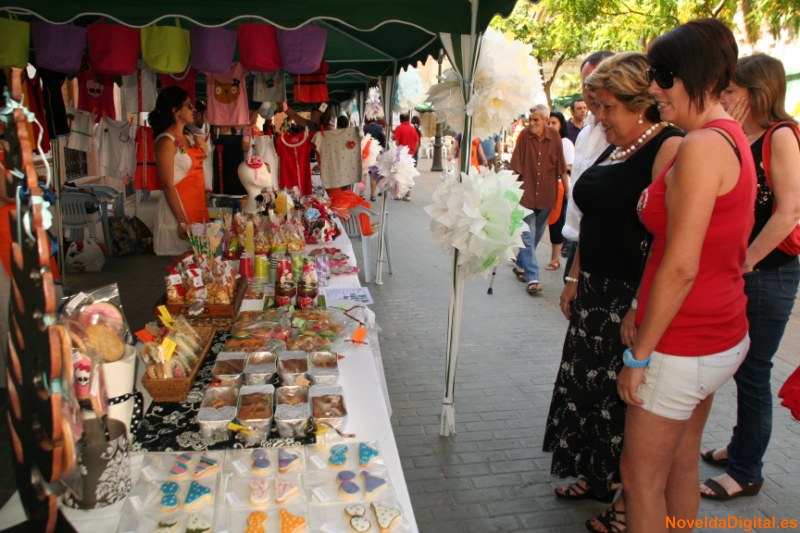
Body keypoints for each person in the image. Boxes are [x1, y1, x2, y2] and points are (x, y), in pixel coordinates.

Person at [618, 19, 755, 532]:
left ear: (702, 77)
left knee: (639, 479)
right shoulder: (726, 137)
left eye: (664, 76)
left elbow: (680, 266)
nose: (654, 88)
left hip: (684, 341)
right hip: (717, 333)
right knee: (679, 462)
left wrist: (639, 356)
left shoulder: (701, 146)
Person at [542, 53, 682, 533]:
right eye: (596, 105)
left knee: (619, 404)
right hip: (595, 292)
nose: (597, 115)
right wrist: (575, 278)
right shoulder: (616, 144)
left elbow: (668, 238)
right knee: (589, 394)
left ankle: (627, 502)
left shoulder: (668, 145)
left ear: (638, 103)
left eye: (606, 106)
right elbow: (594, 218)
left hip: (627, 297)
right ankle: (598, 477)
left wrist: (641, 303)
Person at [699, 54, 800, 501]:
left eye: (731, 91)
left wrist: (746, 263)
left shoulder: (781, 135)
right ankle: (740, 448)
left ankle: (747, 471)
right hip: (752, 272)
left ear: (758, 92)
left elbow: (789, 211)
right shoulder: (745, 134)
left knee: (754, 372)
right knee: (743, 368)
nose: (723, 97)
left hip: (768, 274)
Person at [561, 51, 615, 277]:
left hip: (603, 248)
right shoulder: (585, 133)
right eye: (587, 84)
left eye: (599, 82)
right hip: (577, 244)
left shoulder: (622, 134)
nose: (592, 92)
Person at [509, 104, 570, 295]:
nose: (532, 123)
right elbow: (515, 166)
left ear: (545, 120)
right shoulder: (524, 136)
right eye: (530, 119)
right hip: (525, 194)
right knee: (527, 234)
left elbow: (561, 167)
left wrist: (568, 191)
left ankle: (520, 264)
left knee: (535, 236)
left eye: (536, 119)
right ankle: (533, 277)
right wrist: (509, 190)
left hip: (546, 194)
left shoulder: (555, 137)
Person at [149, 86, 209, 256]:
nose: (193, 109)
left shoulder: (188, 138)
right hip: (176, 213)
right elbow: (167, 185)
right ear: (175, 110)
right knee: (180, 266)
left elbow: (194, 169)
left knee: (200, 263)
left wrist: (203, 149)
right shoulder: (166, 141)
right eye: (188, 105)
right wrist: (182, 222)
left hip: (195, 207)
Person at [545, 111, 575, 270]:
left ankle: (554, 260)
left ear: (561, 125)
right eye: (548, 122)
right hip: (542, 186)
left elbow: (569, 166)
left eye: (554, 123)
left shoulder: (565, 143)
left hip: (558, 186)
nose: (550, 126)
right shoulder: (543, 140)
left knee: (555, 223)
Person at [392, 113, 419, 200]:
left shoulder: (399, 128)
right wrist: (413, 152)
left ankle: (398, 194)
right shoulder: (412, 129)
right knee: (408, 174)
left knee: (399, 174)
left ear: (400, 119)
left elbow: (396, 142)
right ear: (408, 119)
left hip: (401, 154)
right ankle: (408, 195)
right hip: (410, 155)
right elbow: (417, 142)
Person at [363, 117, 386, 201]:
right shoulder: (379, 128)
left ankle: (361, 194)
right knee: (373, 175)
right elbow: (383, 140)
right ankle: (372, 195)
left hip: (364, 153)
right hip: (375, 153)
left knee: (363, 175)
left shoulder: (364, 128)